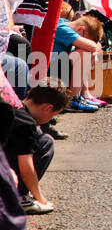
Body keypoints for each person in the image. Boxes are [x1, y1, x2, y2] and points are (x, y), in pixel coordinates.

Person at [4, 84, 69, 215]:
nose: (49, 120)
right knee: (46, 142)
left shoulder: (12, 105)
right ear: (48, 108)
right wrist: (40, 198)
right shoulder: (26, 123)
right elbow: (26, 166)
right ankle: (19, 197)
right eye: (52, 115)